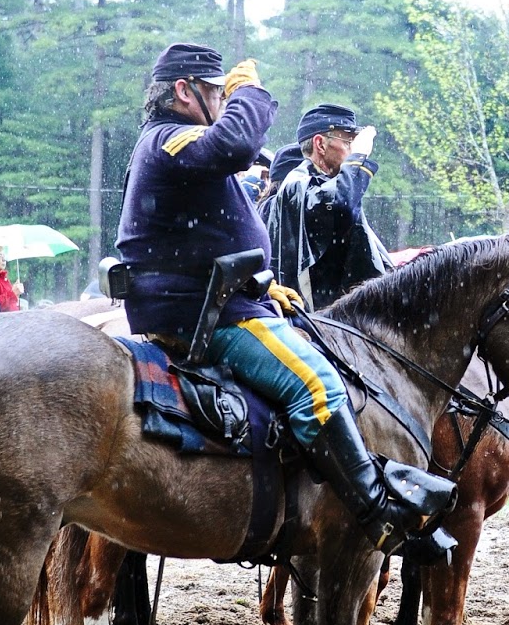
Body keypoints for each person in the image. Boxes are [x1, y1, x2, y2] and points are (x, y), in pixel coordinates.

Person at [113, 41, 452, 555]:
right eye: (213, 92)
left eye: (225, 94)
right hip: (208, 316)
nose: (222, 104)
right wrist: (248, 91)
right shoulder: (171, 138)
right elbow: (235, 146)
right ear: (183, 92)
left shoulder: (172, 141)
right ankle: (379, 517)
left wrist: (259, 283)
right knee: (317, 387)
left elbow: (193, 241)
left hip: (225, 297)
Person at [266, 103, 395, 310]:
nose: (352, 148)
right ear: (320, 144)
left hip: (334, 320)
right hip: (306, 321)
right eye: (348, 141)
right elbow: (340, 206)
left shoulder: (326, 184)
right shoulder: (297, 184)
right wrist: (358, 158)